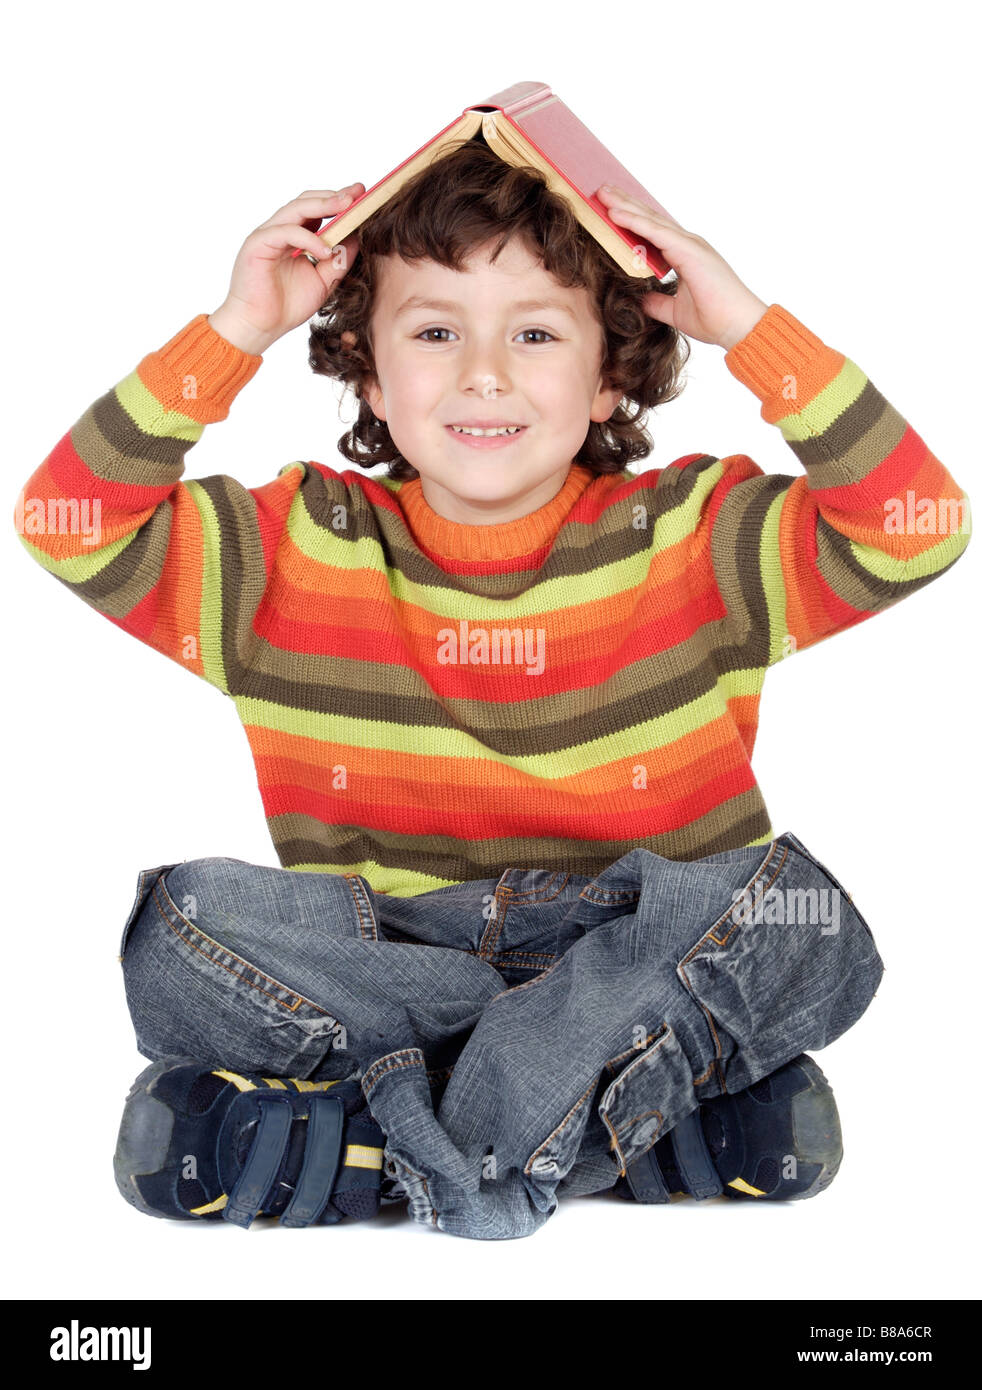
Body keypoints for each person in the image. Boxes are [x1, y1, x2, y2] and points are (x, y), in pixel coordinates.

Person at [13, 138, 970, 1240]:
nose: (483, 374)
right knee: (177, 927)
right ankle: (623, 1119)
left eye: (534, 332)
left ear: (613, 369)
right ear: (366, 372)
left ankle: (388, 1146)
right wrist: (236, 330)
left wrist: (749, 324)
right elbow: (69, 524)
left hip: (632, 936)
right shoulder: (294, 547)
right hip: (395, 955)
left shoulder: (692, 536)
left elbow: (917, 529)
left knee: (804, 917)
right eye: (432, 332)